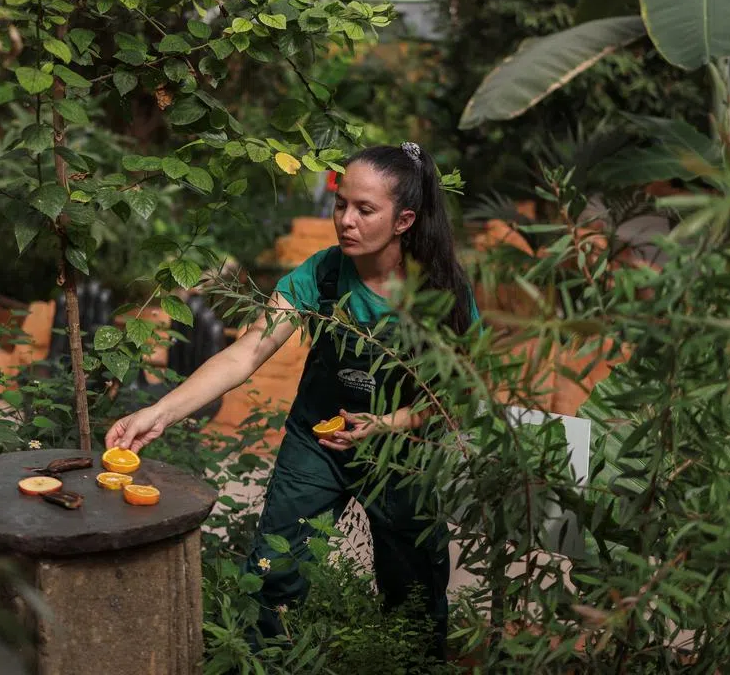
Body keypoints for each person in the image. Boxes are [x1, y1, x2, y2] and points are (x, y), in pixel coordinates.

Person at [105, 142, 479, 660]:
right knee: (274, 570)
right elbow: (244, 354)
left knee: (413, 592)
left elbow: (455, 398)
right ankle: (259, 662)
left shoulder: (443, 295)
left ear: (404, 220)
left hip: (402, 455)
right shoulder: (322, 275)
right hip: (317, 443)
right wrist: (159, 412)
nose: (345, 220)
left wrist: (386, 423)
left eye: (365, 209)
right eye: (341, 203)